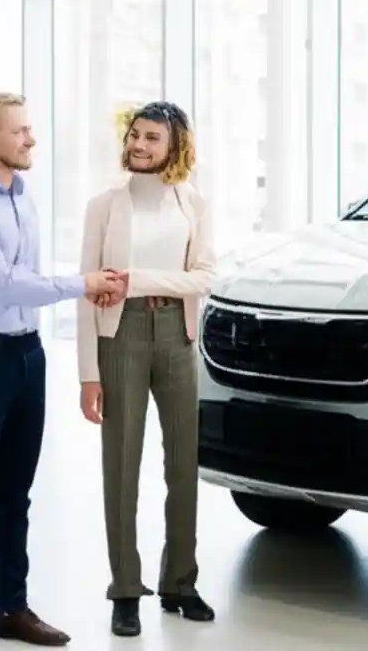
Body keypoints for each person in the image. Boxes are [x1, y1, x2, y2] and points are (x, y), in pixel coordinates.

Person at [0, 91, 127, 651]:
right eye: (19, 131)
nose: (31, 139)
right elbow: (4, 283)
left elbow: (24, 279)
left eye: (29, 129)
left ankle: (12, 610)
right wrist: (84, 283)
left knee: (15, 492)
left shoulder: (24, 196)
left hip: (26, 355)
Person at [76, 101, 216, 637]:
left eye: (151, 138)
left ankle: (180, 581)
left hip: (178, 339)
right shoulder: (105, 205)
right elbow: (89, 290)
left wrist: (137, 279)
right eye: (135, 134)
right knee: (121, 468)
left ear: (175, 145)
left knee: (183, 466)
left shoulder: (194, 203)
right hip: (121, 336)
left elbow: (204, 276)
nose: (138, 144)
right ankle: (126, 590)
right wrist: (88, 372)